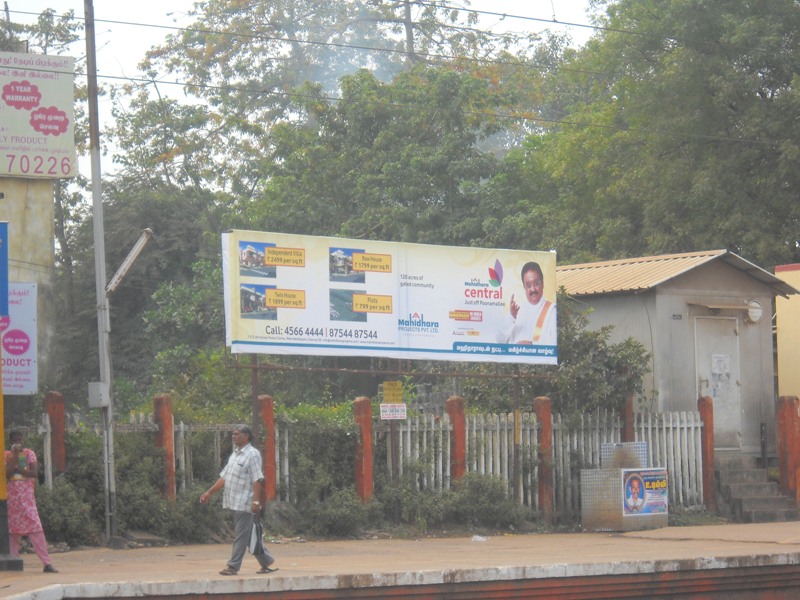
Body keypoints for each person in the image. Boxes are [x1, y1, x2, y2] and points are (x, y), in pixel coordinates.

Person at [200, 424, 276, 576]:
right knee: (247, 534)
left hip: (245, 502)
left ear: (246, 436)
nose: (233, 436)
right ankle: (266, 561)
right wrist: (209, 492)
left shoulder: (252, 454)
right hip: (234, 501)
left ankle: (233, 566)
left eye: (237, 434)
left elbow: (257, 479)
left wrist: (255, 501)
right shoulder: (235, 455)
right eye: (233, 434)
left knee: (241, 534)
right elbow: (224, 477)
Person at [4, 431, 58, 573]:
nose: (18, 443)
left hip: (27, 500)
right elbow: (7, 474)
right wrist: (15, 458)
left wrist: (16, 468)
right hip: (12, 502)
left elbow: (33, 473)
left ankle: (47, 563)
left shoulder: (29, 454)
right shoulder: (5, 455)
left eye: (19, 440)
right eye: (15, 440)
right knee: (12, 533)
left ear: (23, 440)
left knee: (36, 530)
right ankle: (13, 562)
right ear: (11, 441)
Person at [496, 261, 556, 345]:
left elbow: (552, 344)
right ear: (524, 287)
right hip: (513, 358)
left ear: (542, 283)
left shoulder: (551, 309)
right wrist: (511, 317)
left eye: (536, 283)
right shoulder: (517, 311)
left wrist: (529, 346)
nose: (532, 289)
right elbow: (500, 340)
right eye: (528, 285)